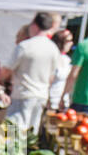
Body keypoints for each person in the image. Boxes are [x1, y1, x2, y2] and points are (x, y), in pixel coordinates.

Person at [5, 12, 60, 144]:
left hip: (23, 94)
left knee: (14, 134)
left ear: (34, 25)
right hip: (41, 95)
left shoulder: (25, 46)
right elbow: (52, 77)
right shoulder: (53, 48)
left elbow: (7, 69)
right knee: (31, 137)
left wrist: (2, 82)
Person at [46, 29, 75, 112]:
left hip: (63, 104)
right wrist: (48, 101)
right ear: (61, 42)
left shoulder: (67, 60)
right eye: (69, 41)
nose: (72, 43)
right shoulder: (51, 58)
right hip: (50, 103)